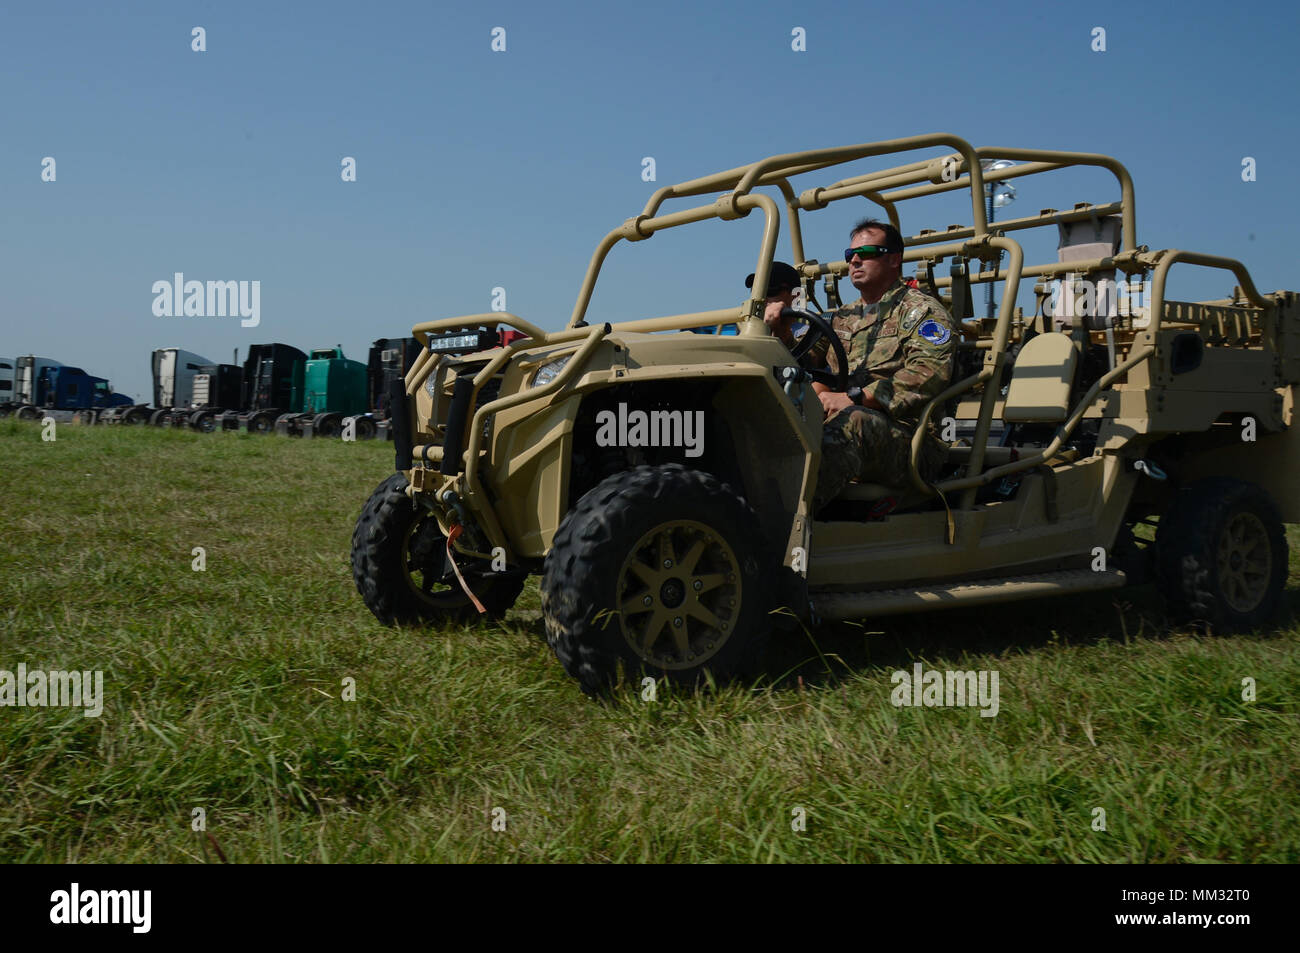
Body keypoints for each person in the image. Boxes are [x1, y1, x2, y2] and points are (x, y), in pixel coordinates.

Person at [802, 219, 955, 514]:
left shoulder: (921, 311)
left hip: (913, 440)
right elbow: (804, 363)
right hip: (843, 423)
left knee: (854, 422)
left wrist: (854, 398)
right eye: (850, 255)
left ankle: (784, 524)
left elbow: (929, 372)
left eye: (867, 252)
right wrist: (780, 331)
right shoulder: (839, 317)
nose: (855, 260)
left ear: (894, 259)